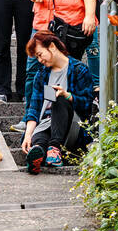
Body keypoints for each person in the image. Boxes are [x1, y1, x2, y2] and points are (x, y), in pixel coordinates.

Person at [17, 31, 95, 172]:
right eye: (37, 57)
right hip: (46, 123)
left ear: (52, 46)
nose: (40, 60)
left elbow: (87, 105)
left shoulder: (79, 70)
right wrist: (28, 135)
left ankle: (54, 148)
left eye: (40, 55)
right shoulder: (42, 75)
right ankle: (38, 153)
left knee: (59, 99)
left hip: (70, 125)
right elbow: (34, 108)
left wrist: (68, 96)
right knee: (39, 139)